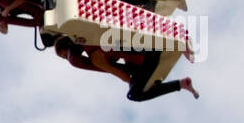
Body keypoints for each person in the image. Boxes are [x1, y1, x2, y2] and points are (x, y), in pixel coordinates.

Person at [53, 36, 198, 101]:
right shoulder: (92, 39)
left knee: (134, 94)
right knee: (118, 43)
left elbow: (122, 75)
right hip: (142, 50)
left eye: (65, 57)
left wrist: (135, 83)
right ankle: (182, 84)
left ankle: (177, 44)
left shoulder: (94, 57)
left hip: (145, 55)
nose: (68, 60)